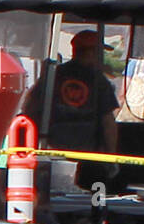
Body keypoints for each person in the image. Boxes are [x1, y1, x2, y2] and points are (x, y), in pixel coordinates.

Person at [20, 28, 119, 163]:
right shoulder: (98, 80)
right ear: (90, 52)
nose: (100, 57)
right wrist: (111, 156)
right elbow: (108, 121)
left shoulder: (54, 75)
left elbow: (30, 107)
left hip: (52, 148)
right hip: (87, 153)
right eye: (99, 52)